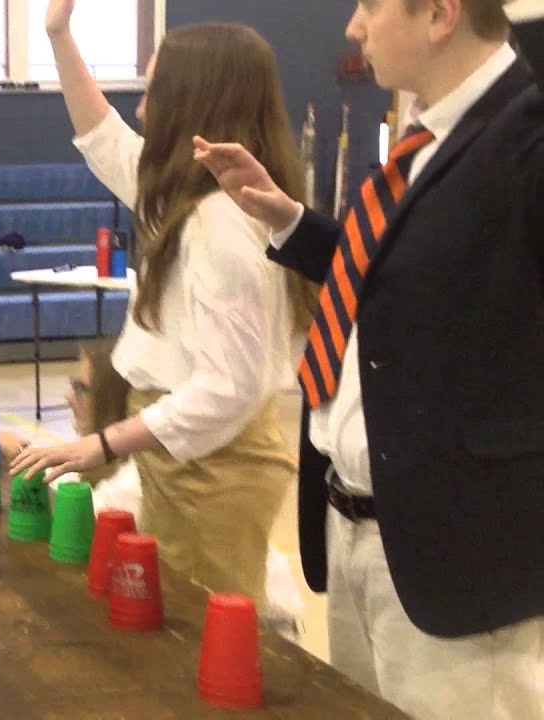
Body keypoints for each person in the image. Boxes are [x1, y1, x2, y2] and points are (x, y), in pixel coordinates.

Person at [192, 1, 544, 717]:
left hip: (455, 553)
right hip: (350, 520)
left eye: (370, 6)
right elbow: (398, 276)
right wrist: (289, 218)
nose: (353, 27)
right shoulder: (426, 138)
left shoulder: (526, 136)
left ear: (441, 15)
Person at [10, 0, 317, 617]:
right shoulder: (187, 199)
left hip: (215, 468)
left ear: (193, 104)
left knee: (212, 635)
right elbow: (104, 141)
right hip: (192, 457)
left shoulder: (221, 225)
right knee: (186, 625)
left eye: (154, 91)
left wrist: (105, 442)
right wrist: (58, 34)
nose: (143, 109)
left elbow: (226, 389)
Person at [0, 338, 305, 639]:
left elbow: (77, 513)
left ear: (114, 402)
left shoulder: (145, 475)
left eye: (81, 388)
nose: (69, 396)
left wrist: (22, 454)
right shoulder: (133, 465)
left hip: (267, 628)